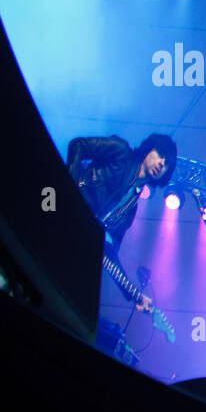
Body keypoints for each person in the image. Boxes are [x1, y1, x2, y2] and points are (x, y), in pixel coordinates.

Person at [66, 133, 178, 313]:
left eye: (168, 165)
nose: (162, 164)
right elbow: (78, 144)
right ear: (150, 148)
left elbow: (108, 253)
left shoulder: (129, 212)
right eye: (161, 155)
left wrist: (133, 294)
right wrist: (68, 189)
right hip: (57, 213)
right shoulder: (120, 151)